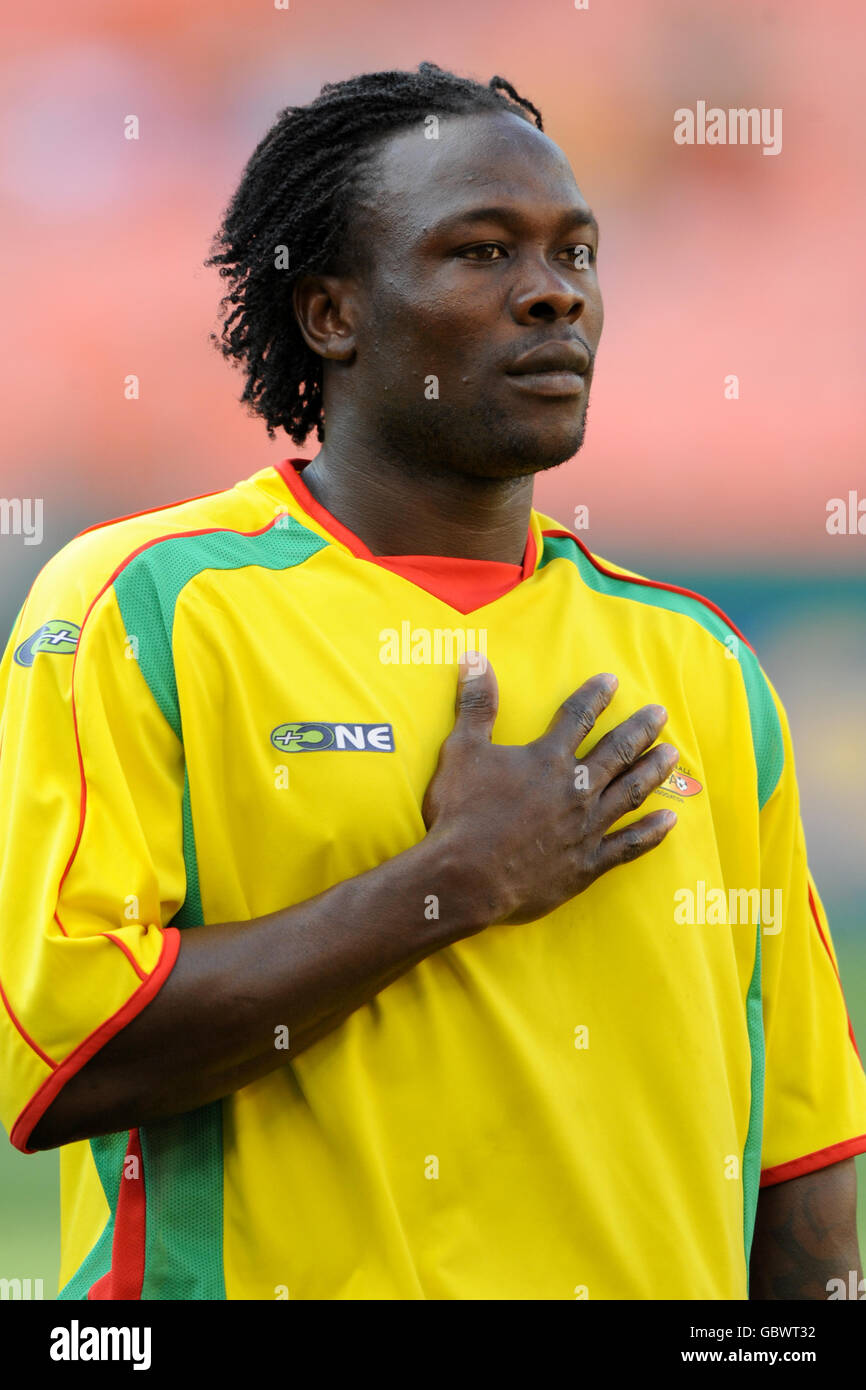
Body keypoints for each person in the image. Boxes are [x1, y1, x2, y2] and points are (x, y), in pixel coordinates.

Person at [1, 62, 864, 1301]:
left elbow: (801, 1169)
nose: (552, 293)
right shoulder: (142, 607)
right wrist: (447, 885)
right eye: (480, 252)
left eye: (576, 251)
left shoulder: (703, 663)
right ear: (331, 315)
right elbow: (67, 1054)